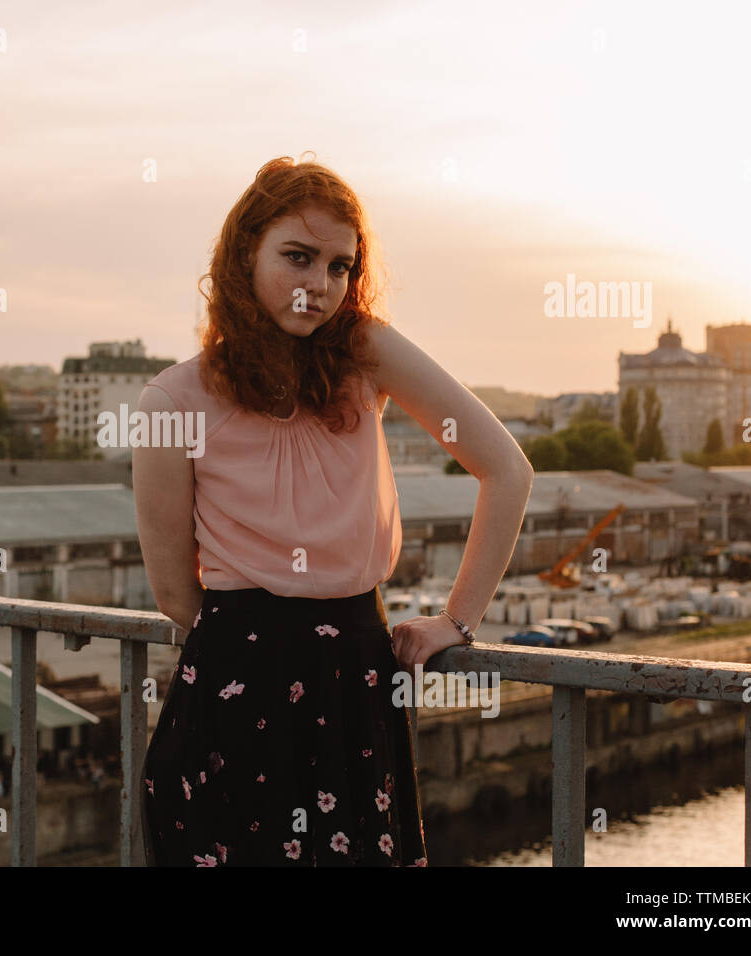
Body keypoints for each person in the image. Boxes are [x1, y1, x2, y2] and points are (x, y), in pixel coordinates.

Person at [133, 155, 533, 867]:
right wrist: (271, 646)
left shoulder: (365, 353)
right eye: (297, 257)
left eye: (340, 266)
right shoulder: (171, 401)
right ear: (243, 252)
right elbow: (171, 591)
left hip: (351, 688)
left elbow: (505, 468)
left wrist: (456, 620)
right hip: (234, 703)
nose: (319, 285)